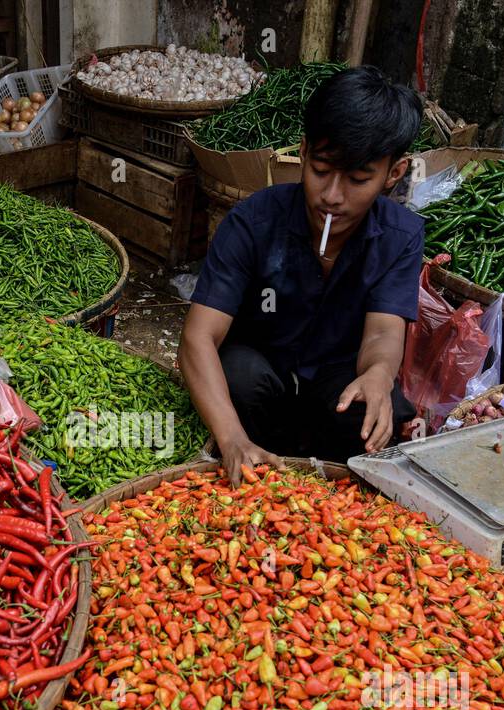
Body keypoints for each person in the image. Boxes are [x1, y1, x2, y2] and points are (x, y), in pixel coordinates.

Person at [178, 65, 425, 483]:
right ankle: (253, 450)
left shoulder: (399, 236)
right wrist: (232, 437)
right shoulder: (253, 222)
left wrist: (378, 376)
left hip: (332, 384)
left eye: (358, 179)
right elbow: (198, 337)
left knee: (382, 410)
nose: (332, 196)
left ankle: (324, 470)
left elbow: (383, 334)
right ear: (304, 151)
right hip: (261, 379)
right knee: (238, 376)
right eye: (321, 170)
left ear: (393, 174)